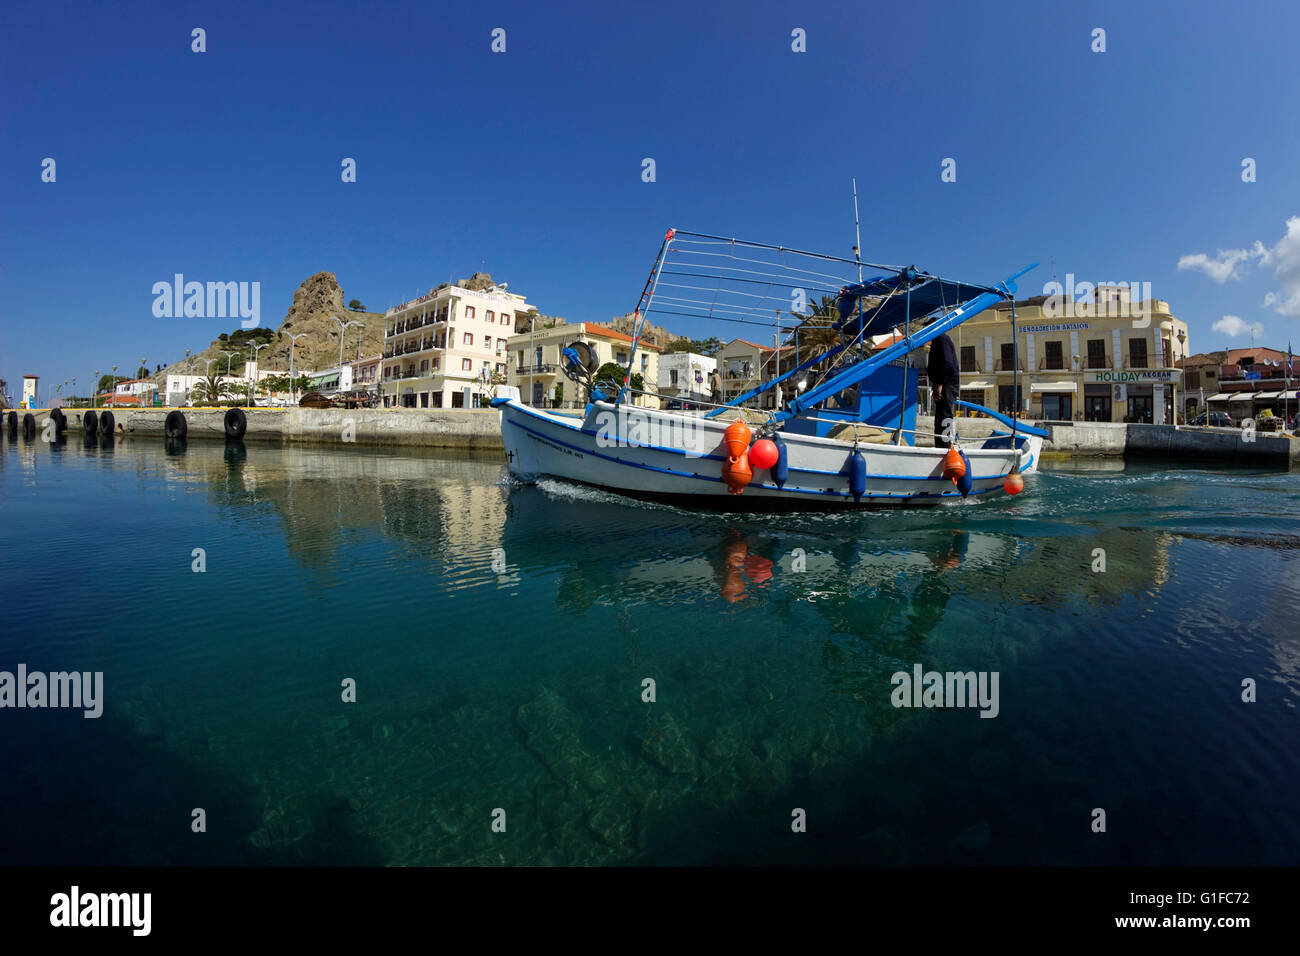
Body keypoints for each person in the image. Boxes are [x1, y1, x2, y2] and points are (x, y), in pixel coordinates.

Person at [927, 332, 960, 449]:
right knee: (939, 416)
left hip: (947, 383)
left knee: (945, 414)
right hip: (941, 383)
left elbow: (947, 363)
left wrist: (940, 383)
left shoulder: (942, 339)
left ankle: (946, 446)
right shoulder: (936, 341)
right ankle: (940, 445)